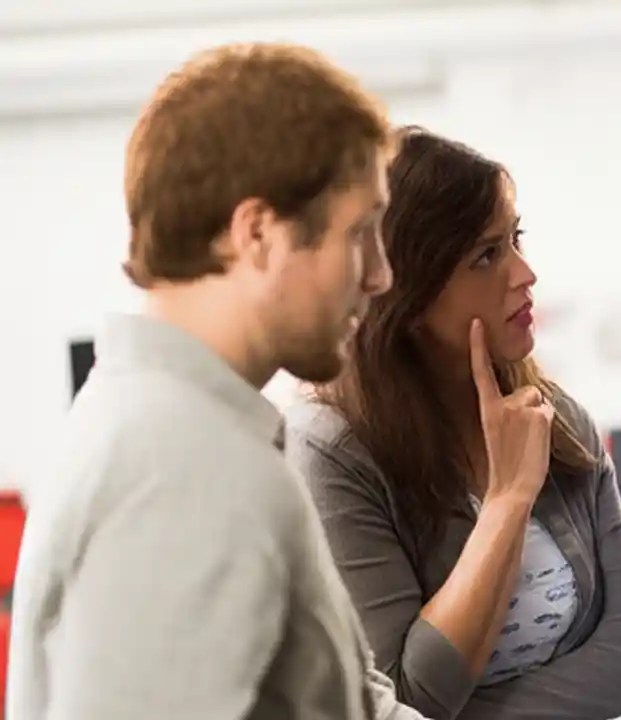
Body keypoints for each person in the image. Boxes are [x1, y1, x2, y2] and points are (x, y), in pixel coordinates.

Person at [6, 43, 430, 720]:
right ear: (257, 234)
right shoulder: (184, 464)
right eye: (359, 233)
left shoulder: (168, 425)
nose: (380, 274)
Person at [285, 126, 621, 720]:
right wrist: (508, 500)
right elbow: (403, 697)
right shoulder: (330, 452)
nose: (524, 273)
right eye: (486, 255)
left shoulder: (555, 419)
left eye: (515, 238)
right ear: (405, 291)